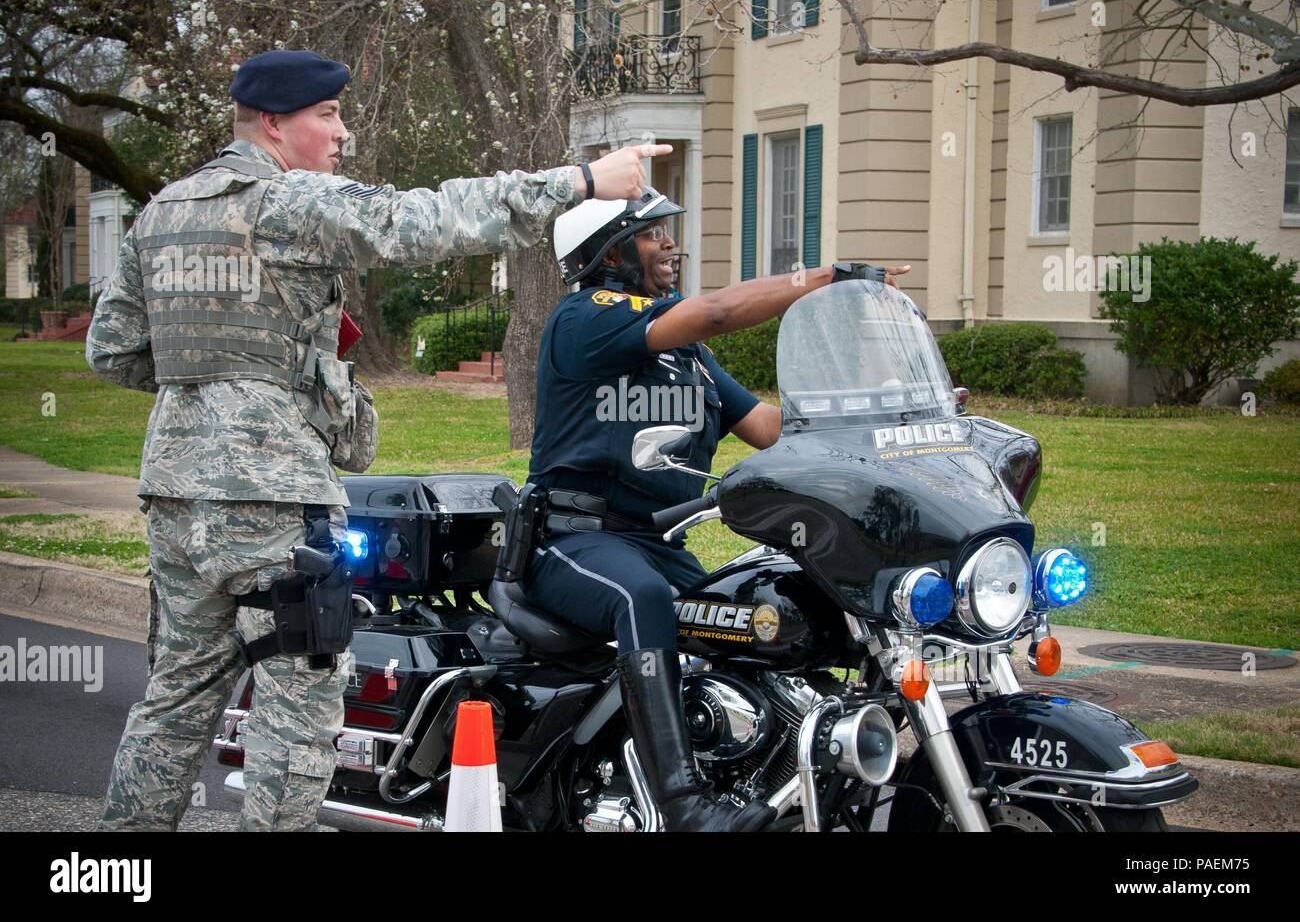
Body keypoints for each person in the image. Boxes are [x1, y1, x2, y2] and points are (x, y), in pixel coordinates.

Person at [88, 48, 668, 831]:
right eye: (325, 116)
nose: (341, 132)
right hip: (272, 499)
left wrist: (214, 381)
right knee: (295, 714)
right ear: (273, 124)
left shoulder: (162, 213)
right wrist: (585, 182)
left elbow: (114, 351)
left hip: (174, 496)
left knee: (176, 699)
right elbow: (417, 221)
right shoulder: (287, 201)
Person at [523, 188, 909, 831]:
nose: (669, 243)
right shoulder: (584, 319)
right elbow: (718, 310)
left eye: (666, 231)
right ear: (609, 254)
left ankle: (778, 768)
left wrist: (873, 417)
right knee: (640, 598)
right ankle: (681, 805)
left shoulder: (687, 360)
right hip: (573, 540)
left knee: (755, 613)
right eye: (651, 234)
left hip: (658, 541)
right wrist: (825, 278)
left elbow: (766, 426)